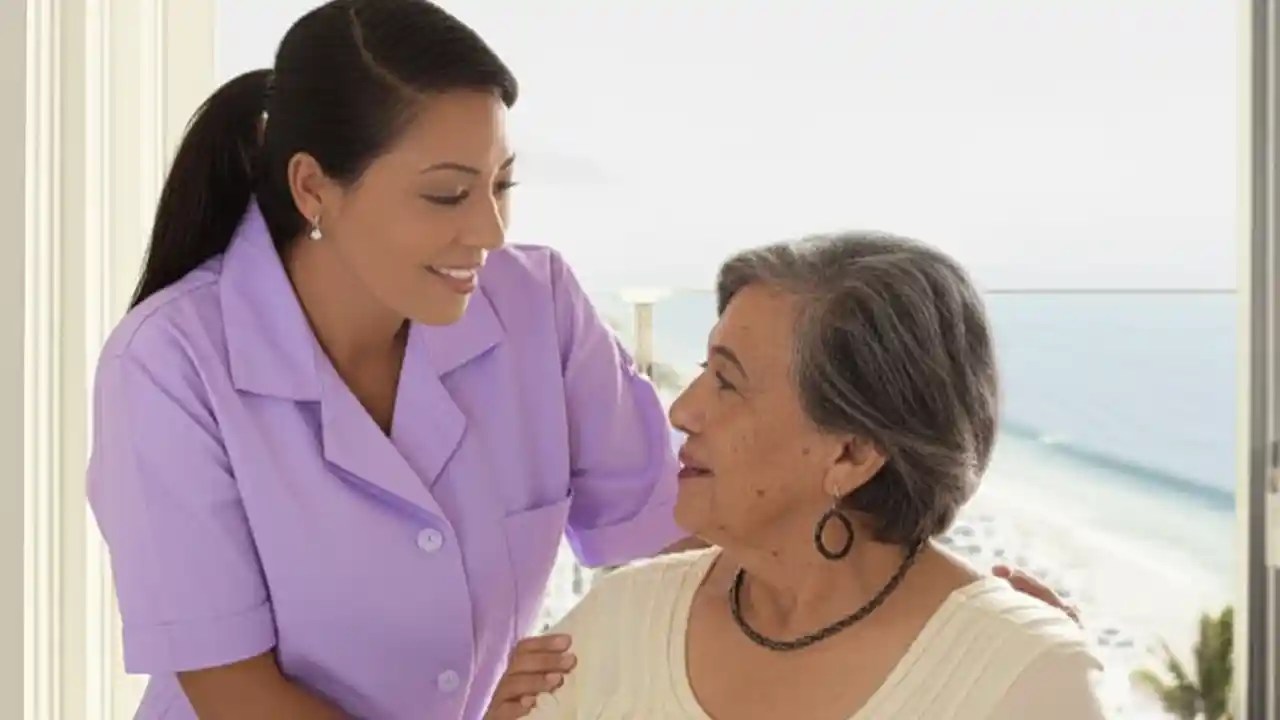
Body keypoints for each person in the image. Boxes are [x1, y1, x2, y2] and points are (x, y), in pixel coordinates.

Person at [86, 1, 1075, 718]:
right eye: (443, 194)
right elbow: (230, 686)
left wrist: (934, 602)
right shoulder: (172, 366)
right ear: (314, 188)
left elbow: (676, 521)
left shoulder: (531, 304)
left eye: (500, 185)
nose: (485, 230)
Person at [486, 233, 1106, 720]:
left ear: (852, 457)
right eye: (703, 368)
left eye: (728, 383)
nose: (683, 411)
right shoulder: (621, 621)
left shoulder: (1020, 678)